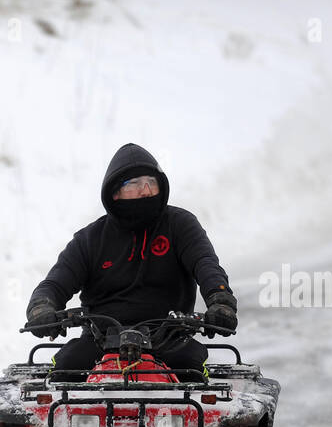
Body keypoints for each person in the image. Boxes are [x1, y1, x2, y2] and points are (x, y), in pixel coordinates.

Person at [24, 143, 237, 381]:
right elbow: (54, 283)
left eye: (151, 183)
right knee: (65, 369)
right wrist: (41, 308)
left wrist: (220, 300)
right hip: (100, 341)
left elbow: (206, 264)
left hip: (171, 339)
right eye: (135, 185)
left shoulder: (181, 225)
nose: (145, 191)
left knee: (192, 371)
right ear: (114, 192)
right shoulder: (90, 239)